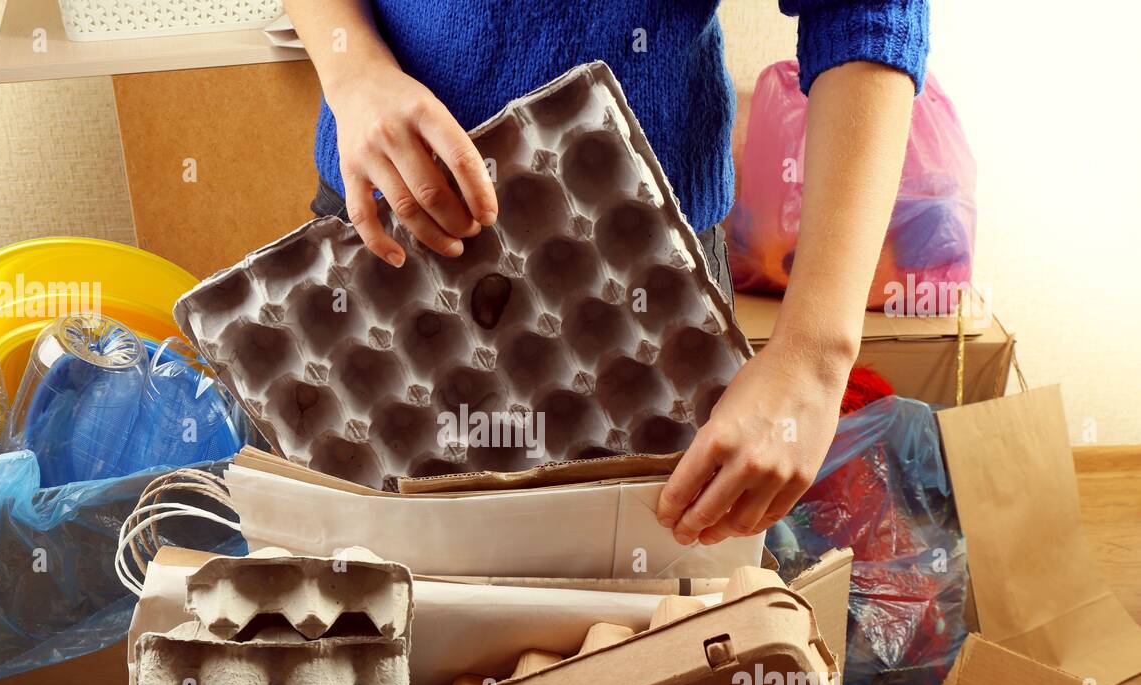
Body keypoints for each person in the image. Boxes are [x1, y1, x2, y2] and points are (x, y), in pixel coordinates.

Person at [284, 0, 926, 545]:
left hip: (644, 280)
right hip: (387, 232)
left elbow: (863, 10)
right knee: (374, 617)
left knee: (636, 655)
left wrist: (814, 357)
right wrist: (354, 70)